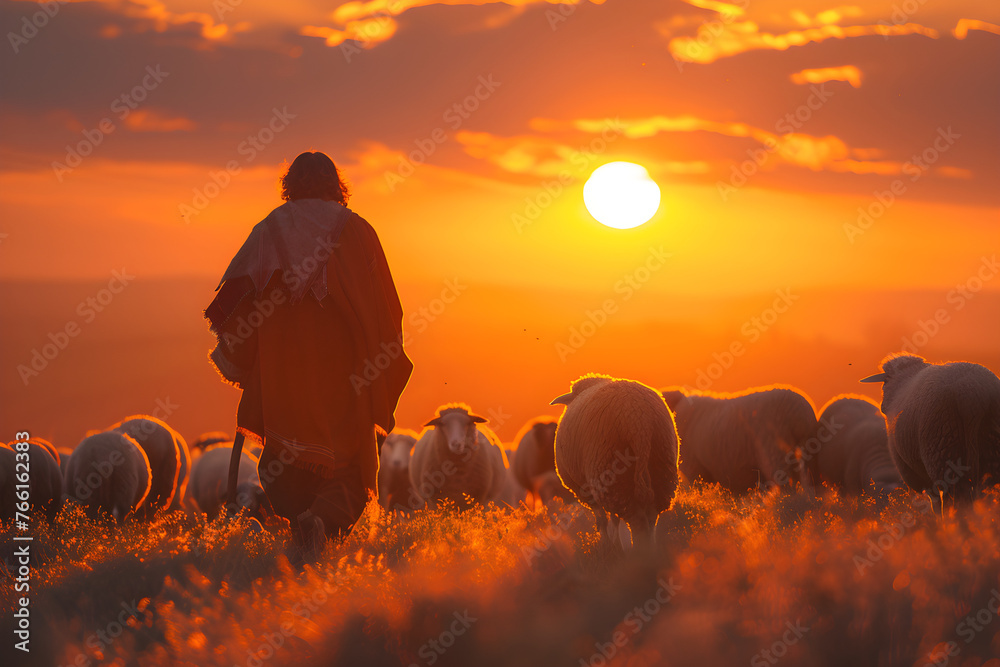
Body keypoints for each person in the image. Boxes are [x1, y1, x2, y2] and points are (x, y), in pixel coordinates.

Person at [205, 151, 412, 562]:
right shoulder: (357, 231)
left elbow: (231, 303)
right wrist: (379, 359)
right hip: (344, 376)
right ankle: (320, 523)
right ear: (336, 185)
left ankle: (305, 526)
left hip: (282, 375)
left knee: (284, 458)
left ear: (290, 184)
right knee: (347, 464)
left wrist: (246, 357)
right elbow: (386, 307)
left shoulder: (268, 230)